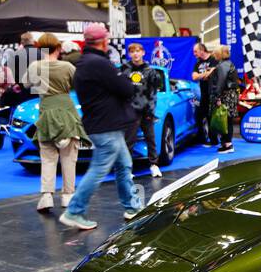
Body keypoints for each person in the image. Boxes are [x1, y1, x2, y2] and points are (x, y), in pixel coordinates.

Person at [59, 24, 139, 231]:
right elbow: (126, 89)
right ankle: (74, 211)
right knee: (98, 169)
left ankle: (132, 207)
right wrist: (126, 80)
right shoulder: (100, 64)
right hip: (107, 125)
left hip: (102, 123)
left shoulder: (85, 62)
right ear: (104, 41)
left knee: (124, 165)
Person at [27, 33, 87, 212]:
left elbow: (30, 86)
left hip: (45, 111)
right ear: (59, 48)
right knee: (69, 157)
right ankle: (68, 196)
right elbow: (78, 85)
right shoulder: (67, 66)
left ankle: (46, 196)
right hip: (67, 111)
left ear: (39, 48)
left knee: (48, 158)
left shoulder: (34, 66)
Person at [121, 42, 162, 177]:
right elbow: (119, 90)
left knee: (150, 138)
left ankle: (154, 165)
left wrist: (150, 111)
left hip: (146, 111)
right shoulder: (124, 69)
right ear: (129, 54)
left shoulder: (150, 71)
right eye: (132, 52)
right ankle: (128, 169)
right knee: (129, 141)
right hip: (130, 111)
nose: (136, 54)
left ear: (143, 53)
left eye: (138, 51)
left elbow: (153, 93)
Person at [211, 45, 241, 154]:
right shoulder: (228, 64)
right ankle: (226, 143)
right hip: (230, 94)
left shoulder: (223, 66)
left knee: (225, 119)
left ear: (219, 54)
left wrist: (217, 97)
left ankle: (228, 144)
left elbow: (220, 83)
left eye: (215, 53)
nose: (213, 55)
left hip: (226, 95)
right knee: (226, 119)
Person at [191, 41, 219, 144]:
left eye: (196, 51)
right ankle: (202, 138)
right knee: (199, 115)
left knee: (212, 117)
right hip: (204, 94)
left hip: (213, 93)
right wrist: (206, 74)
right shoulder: (198, 63)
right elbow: (194, 76)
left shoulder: (213, 60)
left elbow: (214, 72)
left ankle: (214, 140)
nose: (194, 53)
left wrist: (201, 75)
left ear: (202, 50)